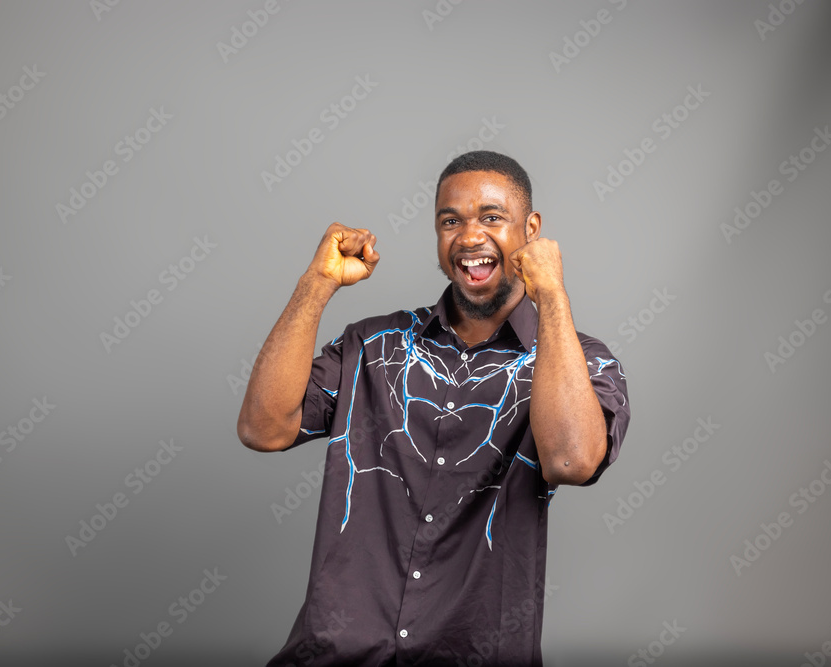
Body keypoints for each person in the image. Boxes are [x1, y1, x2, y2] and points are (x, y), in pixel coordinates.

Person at [237, 151, 630, 666]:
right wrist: (317, 284)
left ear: (531, 231)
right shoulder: (373, 345)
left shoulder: (581, 363)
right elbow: (263, 429)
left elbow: (571, 461)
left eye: (492, 217)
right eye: (450, 221)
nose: (469, 237)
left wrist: (552, 294)